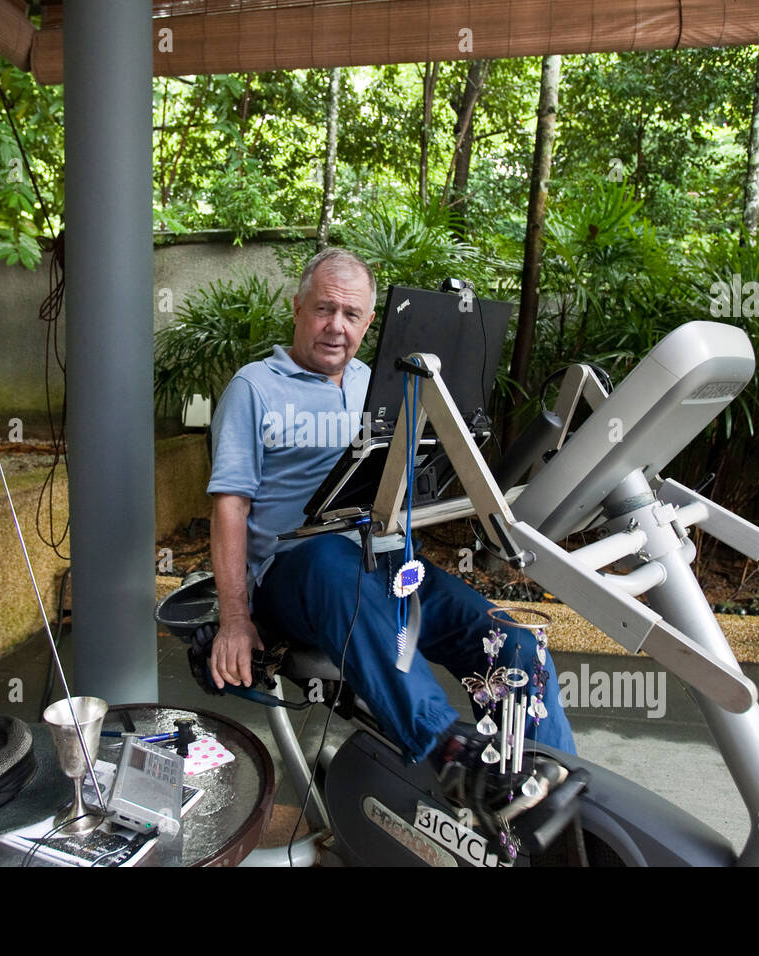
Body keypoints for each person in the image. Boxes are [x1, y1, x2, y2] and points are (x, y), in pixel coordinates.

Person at [205, 248, 575, 791]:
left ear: (369, 323)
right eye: (323, 309)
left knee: (513, 642)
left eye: (351, 315)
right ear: (296, 308)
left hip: (389, 564)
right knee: (329, 559)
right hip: (296, 576)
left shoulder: (387, 384)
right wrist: (235, 620)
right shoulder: (255, 388)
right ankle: (447, 751)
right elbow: (229, 505)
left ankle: (548, 783)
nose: (336, 326)